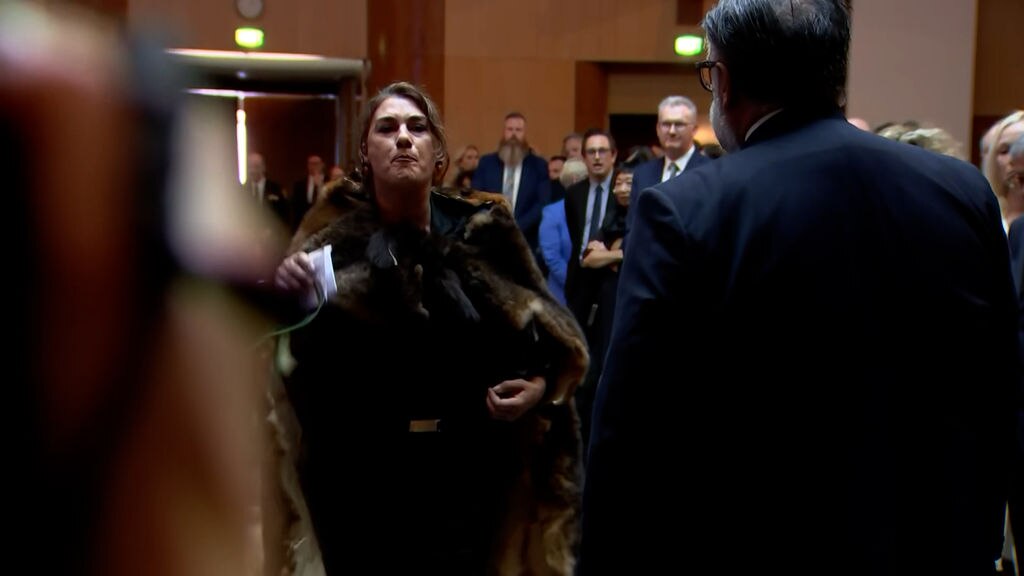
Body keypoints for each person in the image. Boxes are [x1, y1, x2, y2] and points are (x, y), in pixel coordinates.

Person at [580, 1, 1020, 575]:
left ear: (726, 83)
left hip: (757, 547)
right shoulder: (960, 189)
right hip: (934, 546)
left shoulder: (686, 208)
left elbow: (632, 433)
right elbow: (999, 387)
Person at [270, 82, 588, 575]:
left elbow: (549, 338)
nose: (403, 138)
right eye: (387, 128)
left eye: (417, 128)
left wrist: (540, 386)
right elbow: (287, 369)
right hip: (362, 492)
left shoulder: (485, 232)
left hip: (468, 483)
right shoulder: (328, 248)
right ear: (364, 153)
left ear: (437, 152)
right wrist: (285, 303)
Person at [472, 112, 551, 253]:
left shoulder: (539, 166)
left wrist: (516, 228)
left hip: (527, 241)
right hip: (490, 239)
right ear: (503, 132)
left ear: (525, 133)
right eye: (510, 129)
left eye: (518, 130)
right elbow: (477, 197)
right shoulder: (486, 163)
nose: (513, 134)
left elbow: (542, 203)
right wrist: (495, 225)